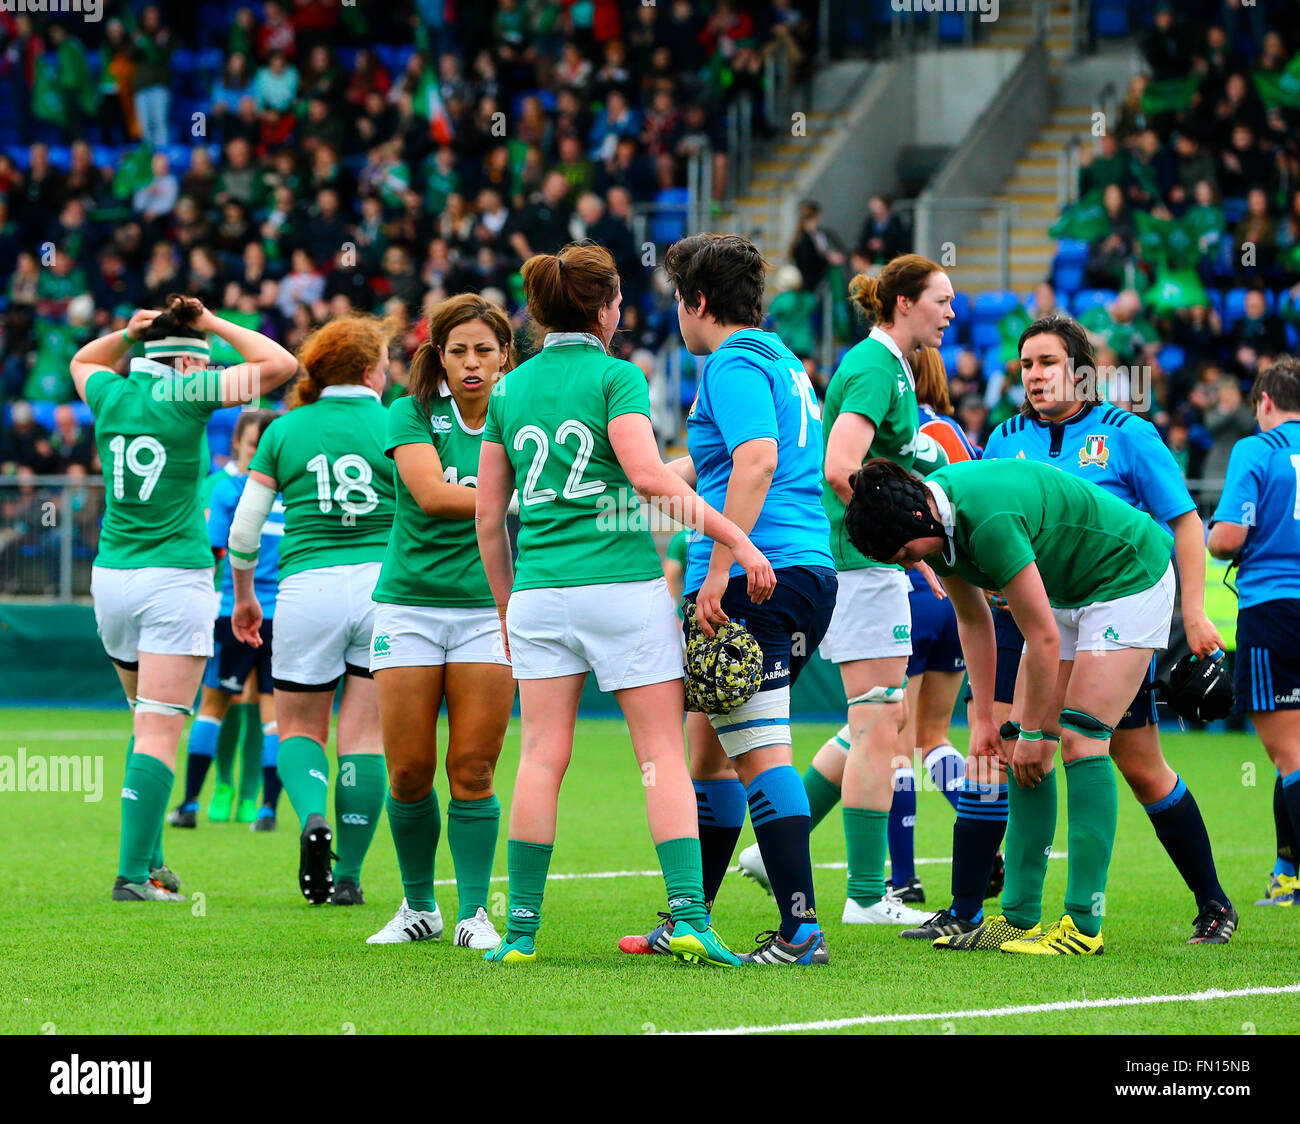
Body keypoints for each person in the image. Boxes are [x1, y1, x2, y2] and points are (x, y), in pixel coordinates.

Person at [474, 240, 775, 965]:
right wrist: (737, 536)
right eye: (616, 301)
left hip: (541, 594)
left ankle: (518, 932)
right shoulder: (618, 376)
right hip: (620, 587)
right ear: (605, 308)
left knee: (542, 758)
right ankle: (691, 919)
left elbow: (489, 518)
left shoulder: (508, 389)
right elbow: (646, 478)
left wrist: (508, 607)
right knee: (661, 757)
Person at [908, 315, 1235, 947]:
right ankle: (976, 910)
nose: (1033, 376)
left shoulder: (1127, 434)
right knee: (1007, 746)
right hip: (1034, 618)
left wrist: (1194, 613)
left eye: (1047, 364)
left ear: (1080, 372)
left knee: (1137, 766)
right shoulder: (1002, 439)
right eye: (1026, 365)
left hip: (1117, 612)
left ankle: (1211, 903)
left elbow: (1187, 525)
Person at [847, 456, 1179, 955]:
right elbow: (974, 619)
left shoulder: (987, 521)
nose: (906, 564)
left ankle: (1084, 928)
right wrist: (986, 717)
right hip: (1070, 592)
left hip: (1128, 578)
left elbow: (1041, 638)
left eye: (903, 554)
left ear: (919, 521)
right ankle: (1019, 919)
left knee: (1081, 738)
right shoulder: (931, 527)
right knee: (1013, 743)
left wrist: (1032, 733)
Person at [621, 232, 838, 966]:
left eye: (677, 302)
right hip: (805, 570)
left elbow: (757, 461)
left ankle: (801, 930)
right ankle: (693, 920)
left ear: (698, 303)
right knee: (709, 753)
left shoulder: (731, 362)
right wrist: (645, 478)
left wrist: (718, 569)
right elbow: (721, 460)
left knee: (758, 751)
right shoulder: (782, 359)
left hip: (758, 575)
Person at [740, 255, 954, 928]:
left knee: (872, 721)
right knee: (880, 725)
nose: (950, 312)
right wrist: (890, 544)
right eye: (940, 300)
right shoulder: (873, 367)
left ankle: (772, 855)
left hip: (867, 567)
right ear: (902, 304)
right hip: (860, 568)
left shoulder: (889, 366)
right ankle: (866, 894)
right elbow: (841, 467)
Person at [70, 295, 300, 901]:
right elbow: (278, 364)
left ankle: (150, 862)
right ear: (183, 364)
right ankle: (129, 876)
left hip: (112, 579)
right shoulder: (186, 394)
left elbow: (81, 362)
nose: (207, 375)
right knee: (160, 728)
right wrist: (214, 324)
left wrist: (125, 333)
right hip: (173, 581)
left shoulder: (112, 395)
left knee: (145, 722)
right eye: (200, 364)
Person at [365, 294, 517, 950]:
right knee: (405, 771)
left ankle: (476, 912)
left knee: (474, 770)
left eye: (484, 349)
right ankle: (419, 906)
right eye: (458, 350)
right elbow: (429, 495)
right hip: (408, 607)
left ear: (505, 354)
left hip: (490, 611)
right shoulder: (410, 412)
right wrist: (530, 493)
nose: (472, 361)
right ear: (440, 357)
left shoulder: (520, 412)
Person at [229, 315, 396, 906]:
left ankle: (310, 816)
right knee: (366, 735)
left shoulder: (285, 429)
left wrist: (245, 596)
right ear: (373, 369)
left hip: (306, 588)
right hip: (384, 587)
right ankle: (348, 875)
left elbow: (245, 529)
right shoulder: (398, 422)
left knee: (301, 727)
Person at [1209, 357, 1300, 908]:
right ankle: (1285, 872)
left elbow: (1225, 539)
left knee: (1289, 756)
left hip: (1273, 609)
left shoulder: (1256, 450)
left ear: (1264, 402)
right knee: (1294, 754)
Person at [168, 409, 284, 832]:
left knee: (212, 707)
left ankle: (190, 804)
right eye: (256, 445)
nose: (261, 453)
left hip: (235, 610)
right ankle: (267, 810)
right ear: (238, 443)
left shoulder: (230, 489)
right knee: (275, 715)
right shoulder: (292, 492)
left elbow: (215, 550)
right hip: (283, 614)